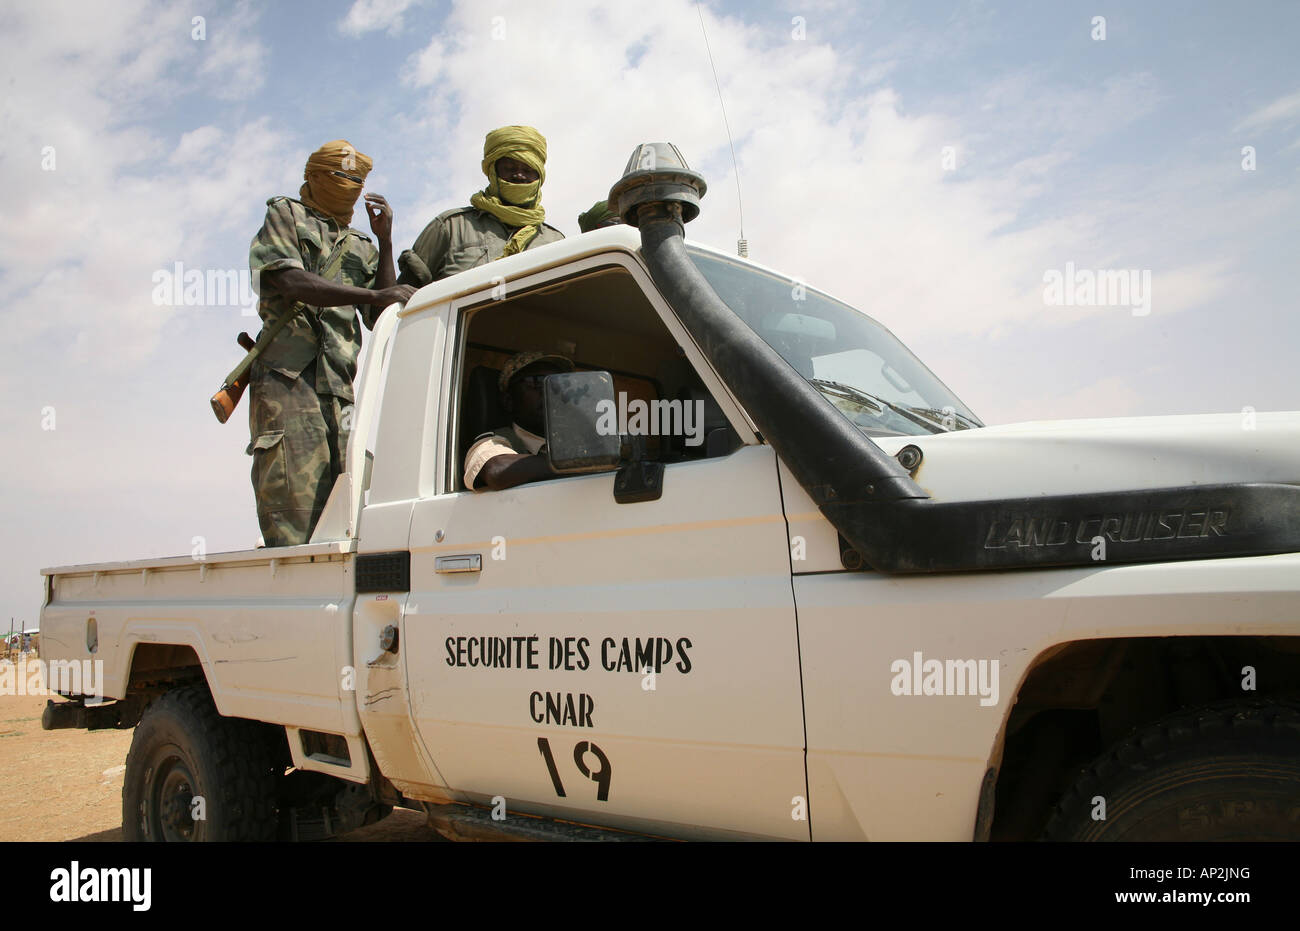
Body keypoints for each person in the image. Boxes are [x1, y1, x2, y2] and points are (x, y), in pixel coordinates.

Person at [247, 139, 416, 547]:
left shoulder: (361, 244)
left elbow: (381, 315)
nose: (349, 186)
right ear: (315, 176)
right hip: (289, 380)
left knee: (342, 515)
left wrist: (386, 240)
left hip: (339, 388)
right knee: (294, 513)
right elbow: (290, 281)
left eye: (356, 180)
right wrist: (371, 296)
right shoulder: (285, 214)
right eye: (339, 176)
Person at [398, 125, 564, 285]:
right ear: (493, 172)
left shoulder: (555, 241)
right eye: (509, 168)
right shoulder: (451, 227)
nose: (519, 176)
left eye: (528, 170)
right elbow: (402, 299)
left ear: (540, 177)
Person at [463, 351, 575, 491]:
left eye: (559, 385)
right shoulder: (495, 442)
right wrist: (579, 462)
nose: (550, 392)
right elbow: (497, 470)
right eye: (538, 382)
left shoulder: (575, 444)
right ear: (508, 401)